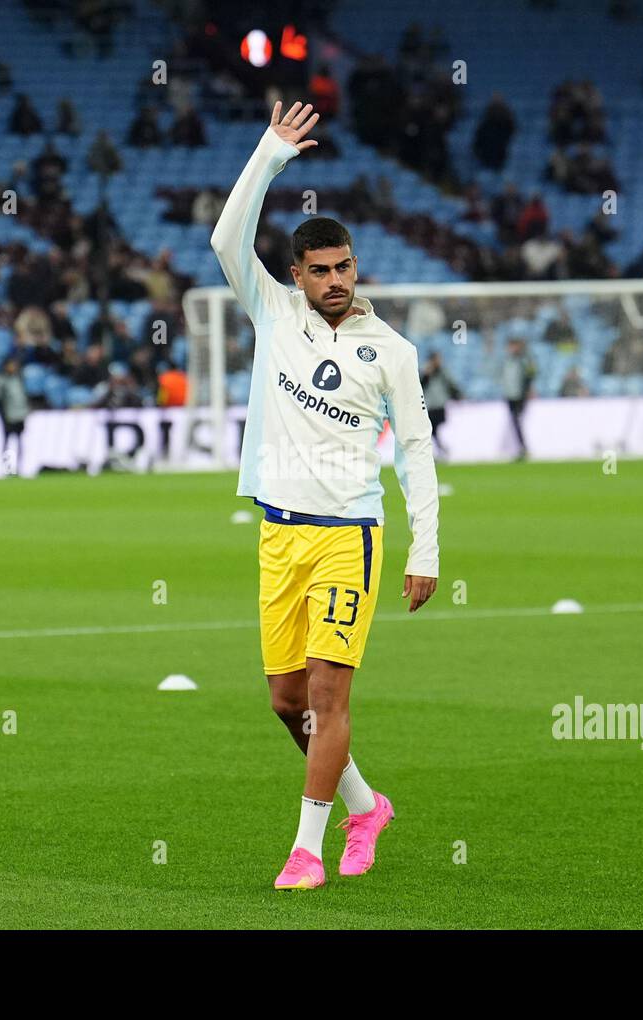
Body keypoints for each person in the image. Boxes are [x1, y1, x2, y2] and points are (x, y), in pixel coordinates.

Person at [210, 101, 439, 891]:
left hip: (349, 533)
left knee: (330, 691)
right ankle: (366, 804)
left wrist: (427, 548)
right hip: (280, 534)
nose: (336, 281)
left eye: (345, 267)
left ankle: (306, 849)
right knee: (285, 700)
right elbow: (223, 239)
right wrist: (269, 155)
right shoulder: (272, 314)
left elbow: (415, 450)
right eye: (321, 271)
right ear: (297, 276)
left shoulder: (392, 352)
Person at [421, 351, 462, 457]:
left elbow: (450, 385)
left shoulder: (442, 372)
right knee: (432, 430)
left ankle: (440, 449)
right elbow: (420, 387)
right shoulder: (425, 372)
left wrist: (457, 395)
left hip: (439, 405)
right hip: (430, 406)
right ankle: (440, 449)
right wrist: (426, 375)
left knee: (435, 429)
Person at [0, 357, 28, 474]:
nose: (14, 367)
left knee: (20, 441)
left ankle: (19, 468)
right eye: (11, 365)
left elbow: (23, 397)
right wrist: (3, 414)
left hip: (20, 415)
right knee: (7, 442)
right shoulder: (0, 380)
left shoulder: (19, 379)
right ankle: (7, 469)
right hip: (7, 416)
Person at [501, 339, 535, 458]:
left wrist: (528, 390)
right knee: (515, 421)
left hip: (520, 395)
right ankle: (519, 447)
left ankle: (522, 447)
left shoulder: (524, 360)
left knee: (517, 420)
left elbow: (531, 374)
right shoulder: (507, 360)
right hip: (510, 395)